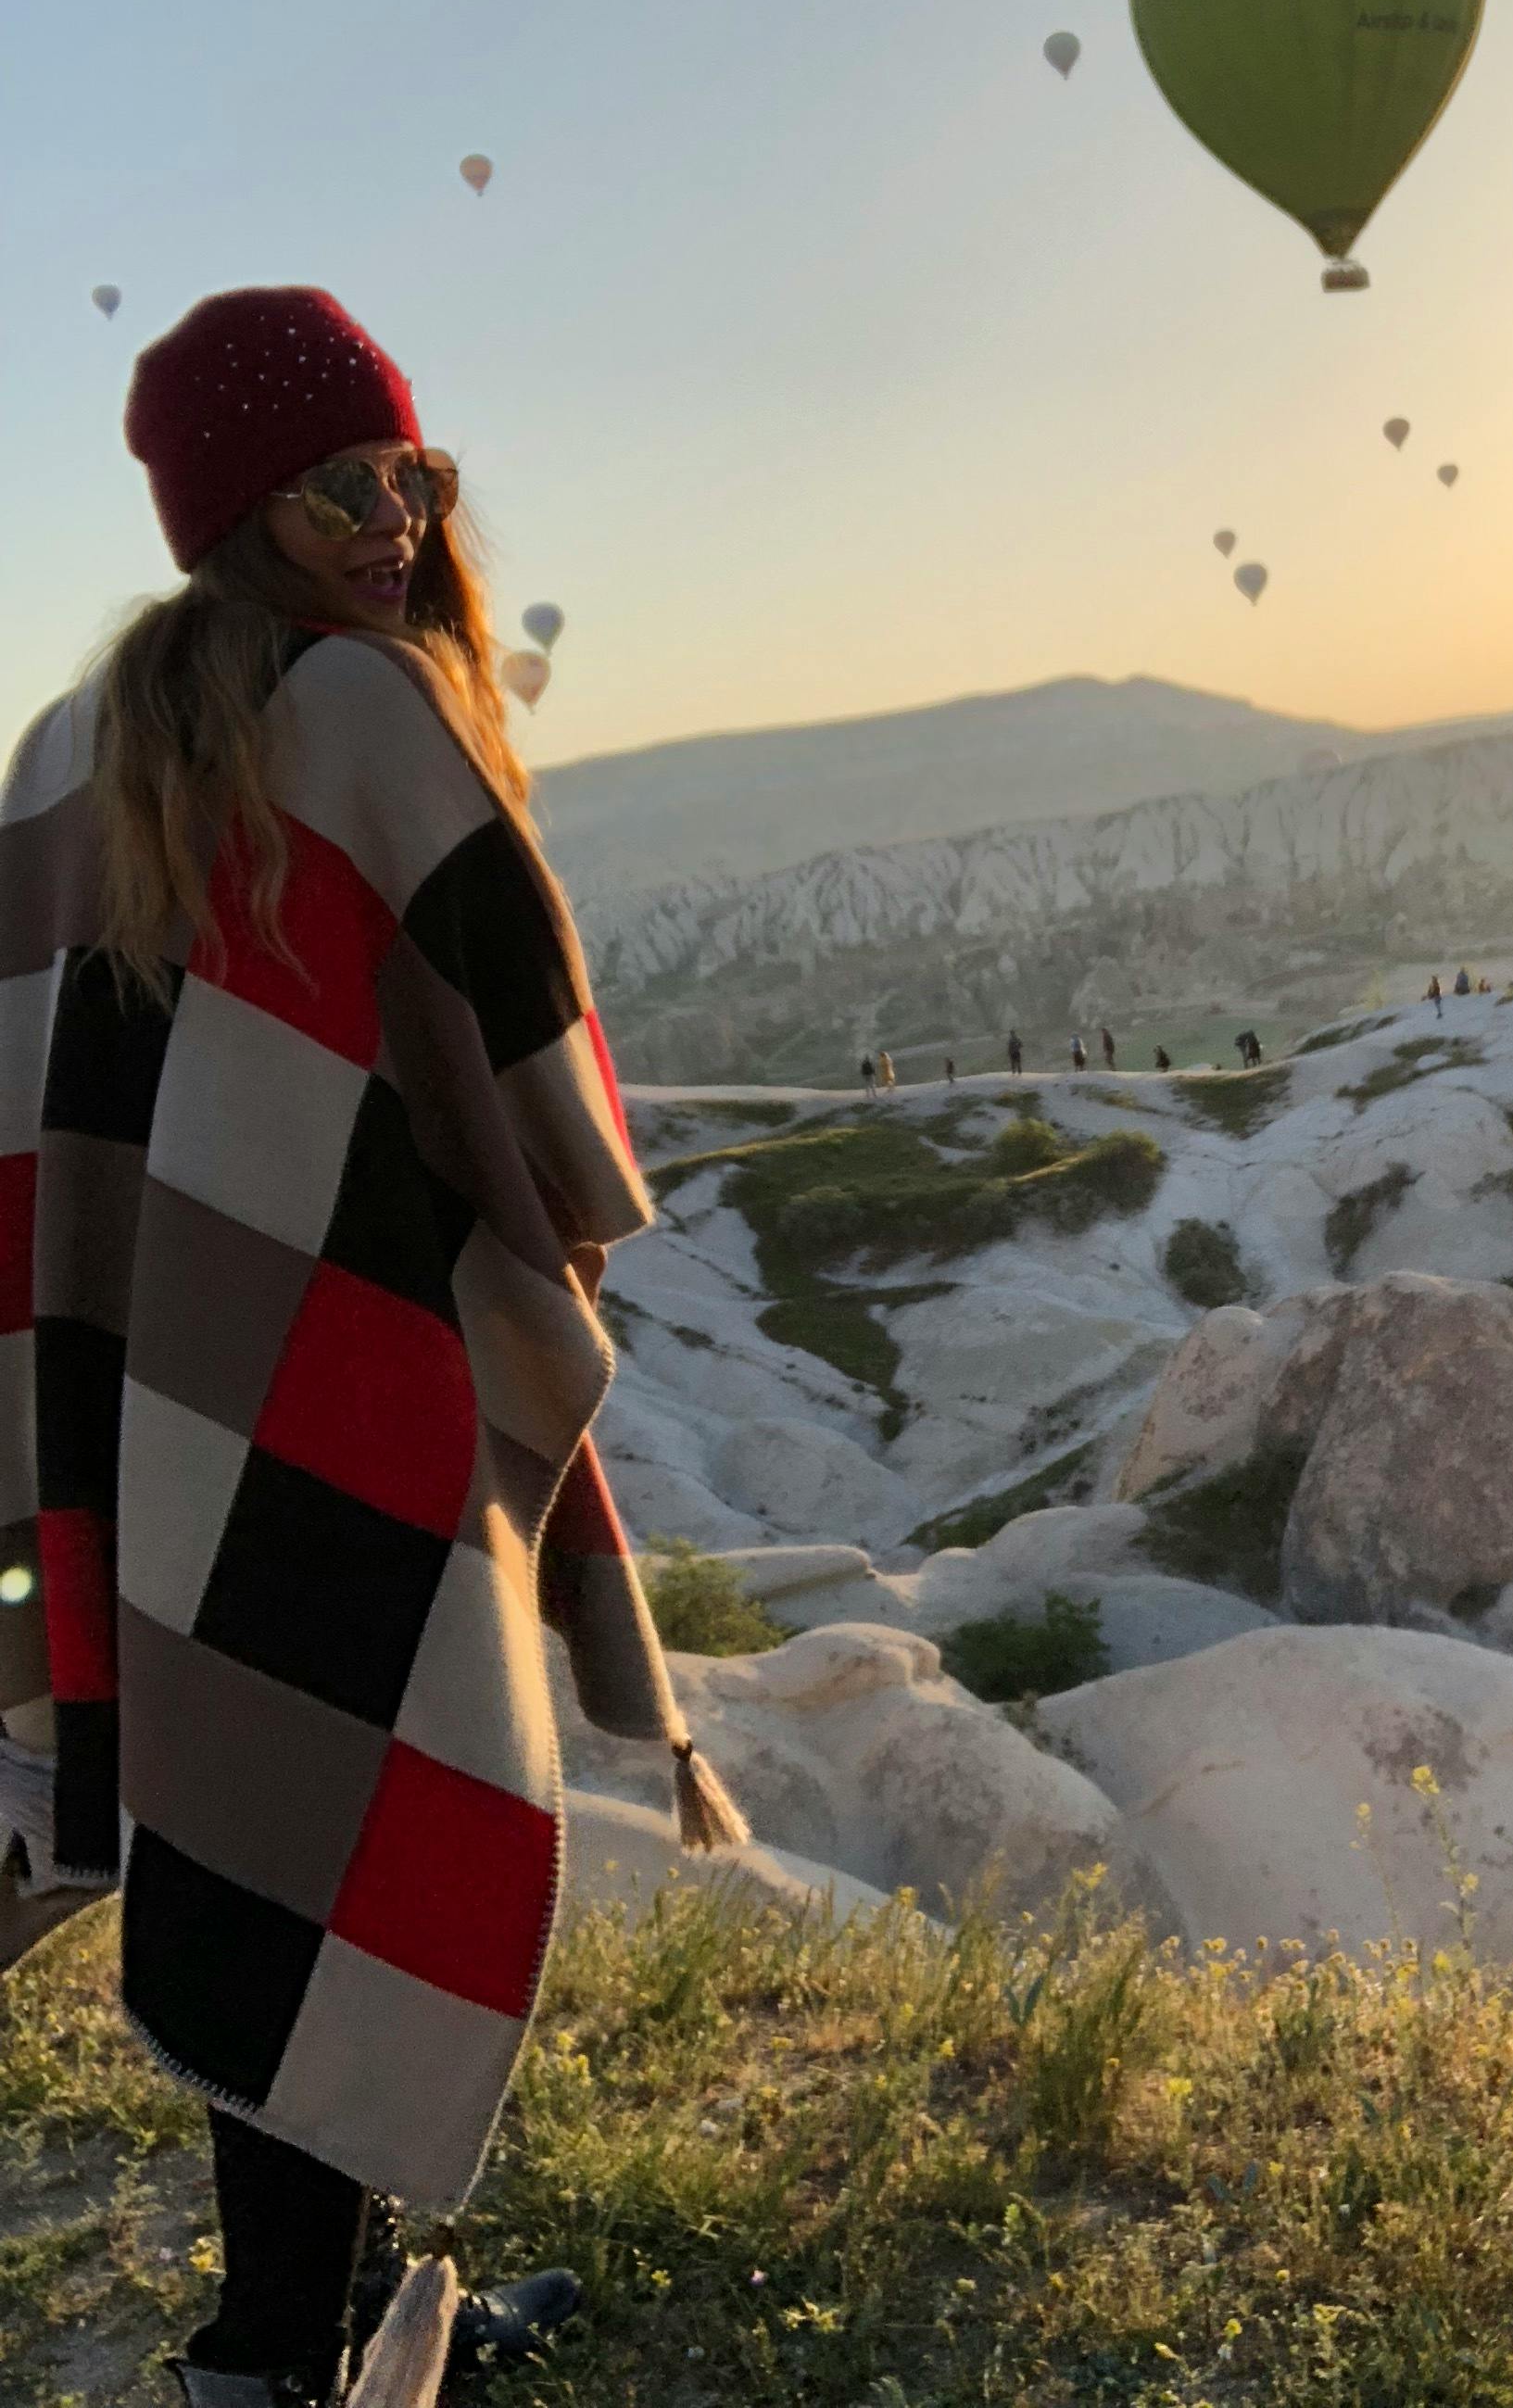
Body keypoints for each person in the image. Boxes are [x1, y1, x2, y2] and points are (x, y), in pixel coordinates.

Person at [0, 286, 745, 2408]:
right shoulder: (358, 708)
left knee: (245, 1813)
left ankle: (291, 2325)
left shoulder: (63, 751)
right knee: (364, 1807)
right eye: (340, 485)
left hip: (140, 1380)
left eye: (412, 473)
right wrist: (548, 1240)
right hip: (352, 1366)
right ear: (238, 510)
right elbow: (531, 1055)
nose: (393, 520)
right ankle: (287, 2346)